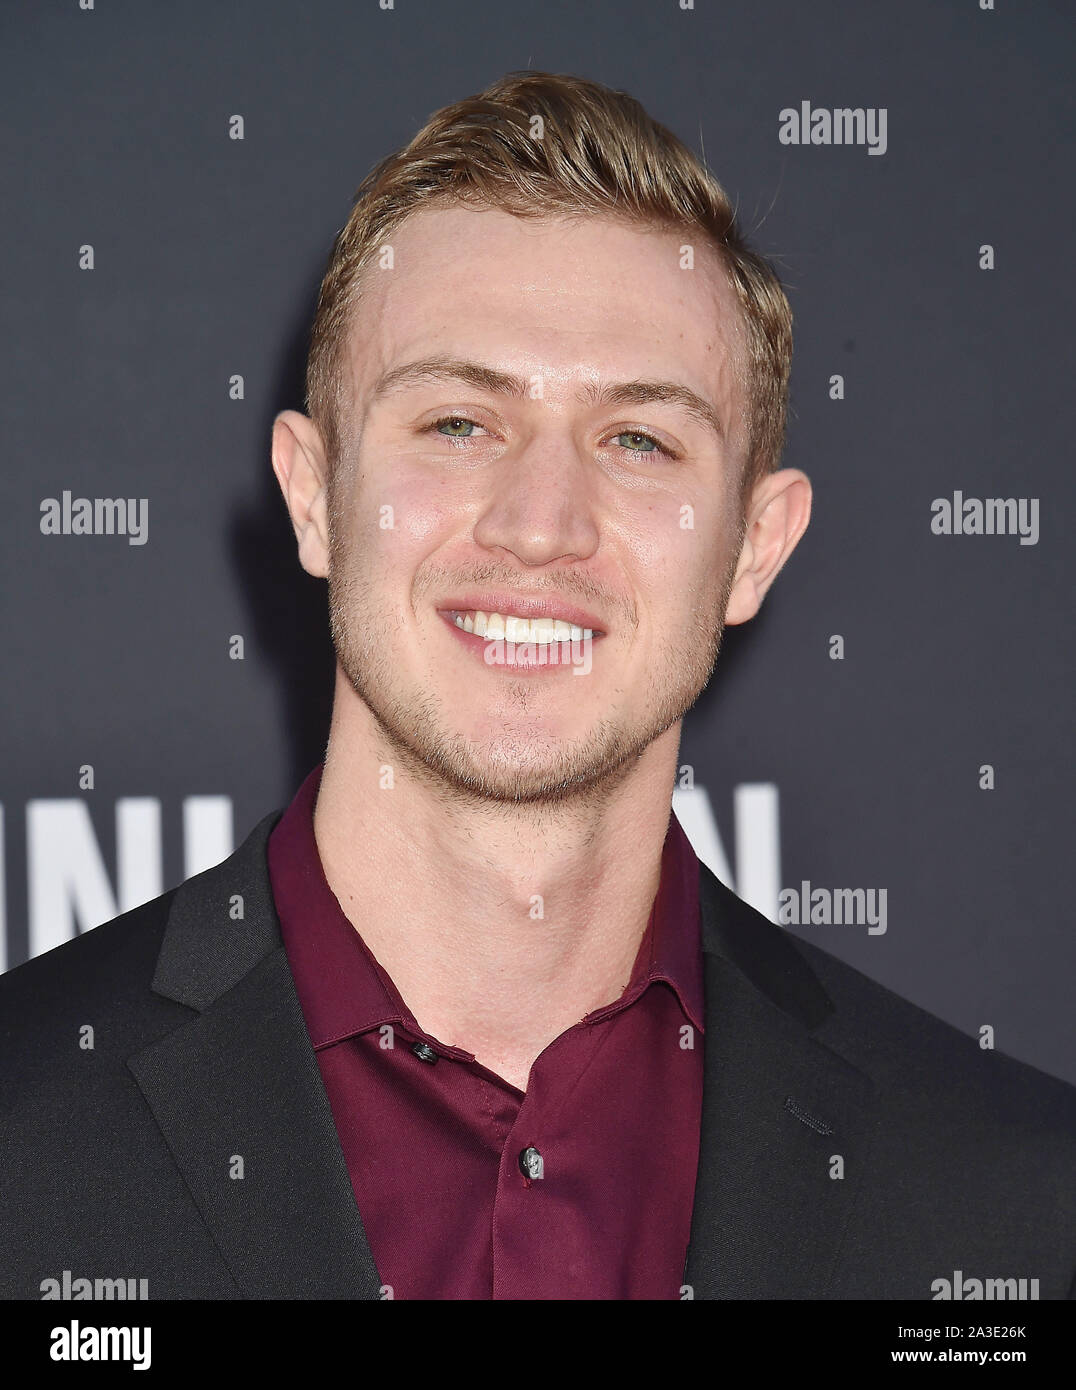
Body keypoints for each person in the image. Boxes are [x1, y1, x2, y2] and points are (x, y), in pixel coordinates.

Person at [2, 71, 1073, 1302]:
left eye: (636, 439)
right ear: (313, 495)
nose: (539, 523)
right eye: (459, 422)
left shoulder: (1009, 1209)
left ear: (753, 547)